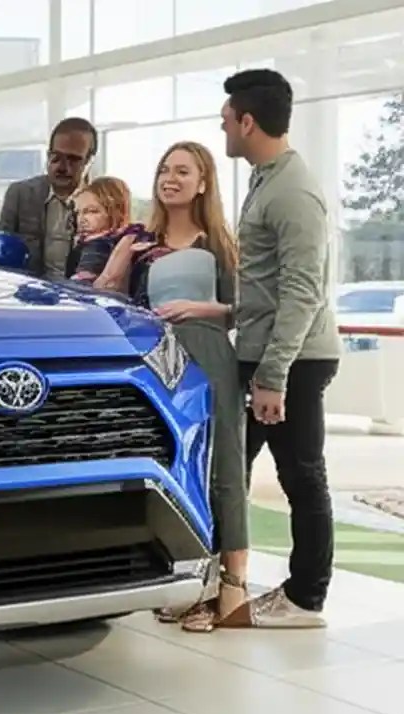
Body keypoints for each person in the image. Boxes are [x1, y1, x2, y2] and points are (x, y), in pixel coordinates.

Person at [96, 141, 251, 632]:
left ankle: (233, 588)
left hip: (209, 356)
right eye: (165, 169)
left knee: (223, 463)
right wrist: (119, 260)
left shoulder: (219, 242)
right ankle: (186, 581)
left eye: (183, 171)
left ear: (203, 182)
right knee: (174, 466)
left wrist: (202, 309)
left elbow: (244, 308)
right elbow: (103, 301)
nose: (171, 178)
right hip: (154, 365)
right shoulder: (138, 241)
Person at [220, 68, 340, 628]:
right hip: (264, 353)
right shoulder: (266, 179)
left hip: (295, 359)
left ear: (247, 121)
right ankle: (224, 584)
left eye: (226, 119)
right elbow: (266, 288)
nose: (222, 127)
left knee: (302, 475)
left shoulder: (294, 189)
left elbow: (302, 289)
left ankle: (307, 597)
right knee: (230, 470)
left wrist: (274, 376)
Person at [0, 117, 98, 281]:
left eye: (73, 159)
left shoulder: (99, 203)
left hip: (77, 298)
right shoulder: (20, 194)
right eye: (56, 157)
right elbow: (1, 251)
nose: (62, 167)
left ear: (88, 160)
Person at [65, 176, 143, 283]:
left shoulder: (98, 244)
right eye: (78, 212)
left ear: (115, 211)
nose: (82, 219)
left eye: (92, 211)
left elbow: (84, 279)